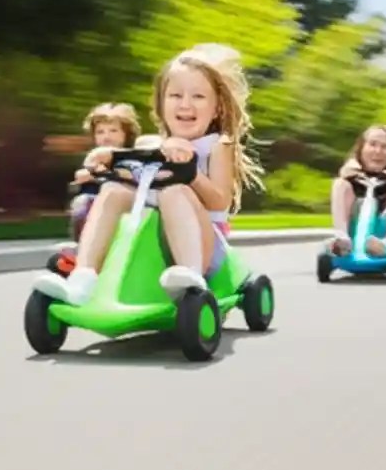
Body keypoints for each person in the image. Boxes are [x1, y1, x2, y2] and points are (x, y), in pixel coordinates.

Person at [32, 43, 264, 305]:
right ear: (161, 103)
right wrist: (109, 160)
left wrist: (189, 173)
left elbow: (220, 201)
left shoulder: (218, 144)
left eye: (198, 97)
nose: (186, 104)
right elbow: (135, 173)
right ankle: (83, 279)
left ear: (217, 107)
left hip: (204, 245)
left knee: (174, 191)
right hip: (156, 235)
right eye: (176, 96)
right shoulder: (155, 143)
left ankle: (191, 279)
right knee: (113, 191)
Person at [326, 125, 386, 257]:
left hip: (383, 233)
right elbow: (344, 178)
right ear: (362, 148)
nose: (378, 151)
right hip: (353, 231)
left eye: (384, 147)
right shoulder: (351, 171)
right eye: (372, 144)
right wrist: (348, 175)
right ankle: (342, 239)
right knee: (340, 184)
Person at [66, 102, 143, 242]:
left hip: (126, 202)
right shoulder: (95, 157)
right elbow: (83, 174)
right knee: (82, 203)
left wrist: (109, 172)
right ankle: (82, 245)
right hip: (95, 200)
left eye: (113, 131)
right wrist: (87, 175)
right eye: (100, 132)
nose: (106, 137)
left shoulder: (132, 156)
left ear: (126, 134)